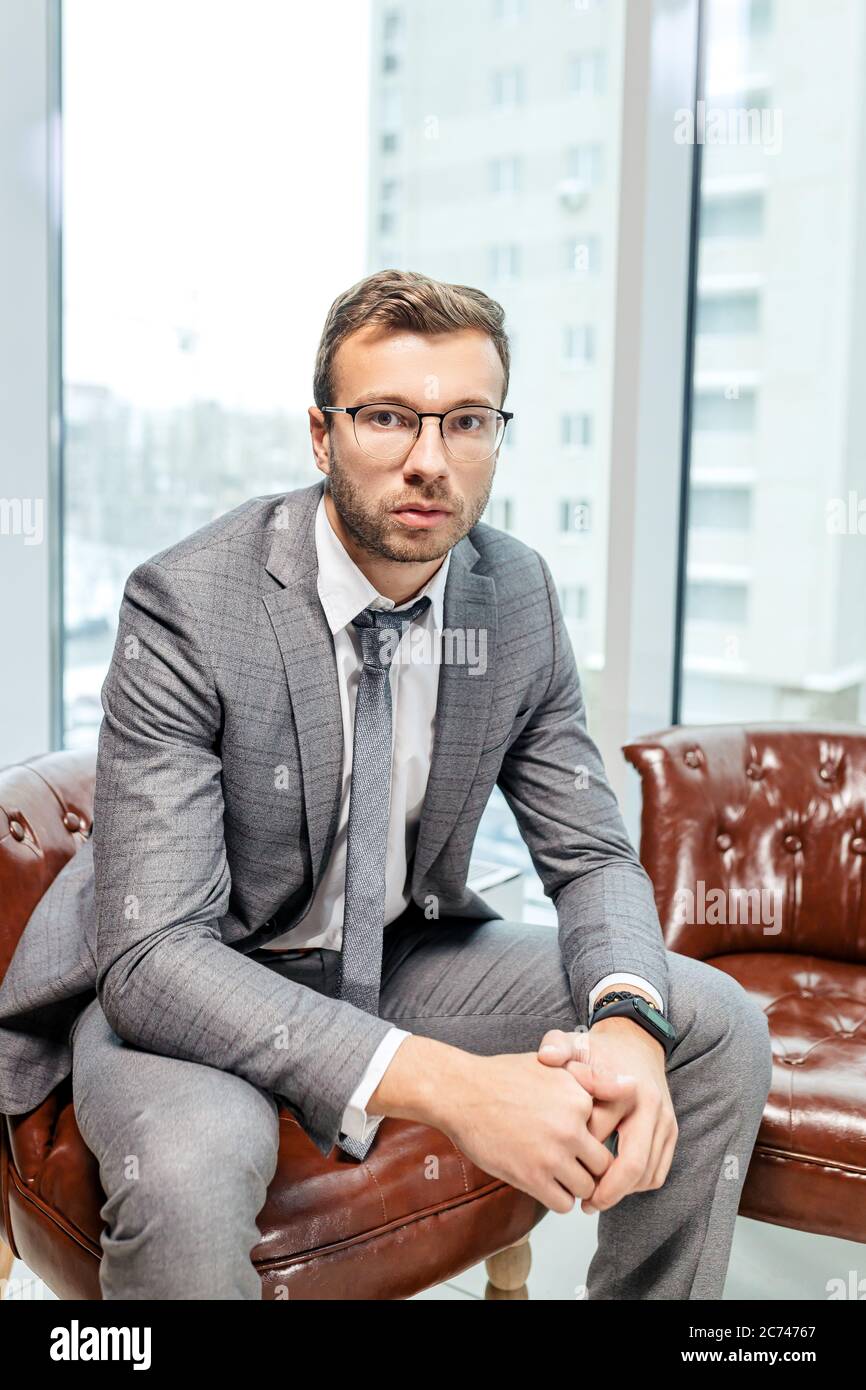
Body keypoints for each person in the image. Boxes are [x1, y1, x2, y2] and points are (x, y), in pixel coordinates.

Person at [0, 268, 772, 1299]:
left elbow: (586, 854)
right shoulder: (187, 603)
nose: (427, 460)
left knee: (709, 1021)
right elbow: (152, 957)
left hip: (396, 953)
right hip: (200, 973)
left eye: (464, 422)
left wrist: (626, 1022)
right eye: (386, 418)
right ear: (320, 435)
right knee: (183, 1176)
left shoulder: (517, 596)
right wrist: (456, 1089)